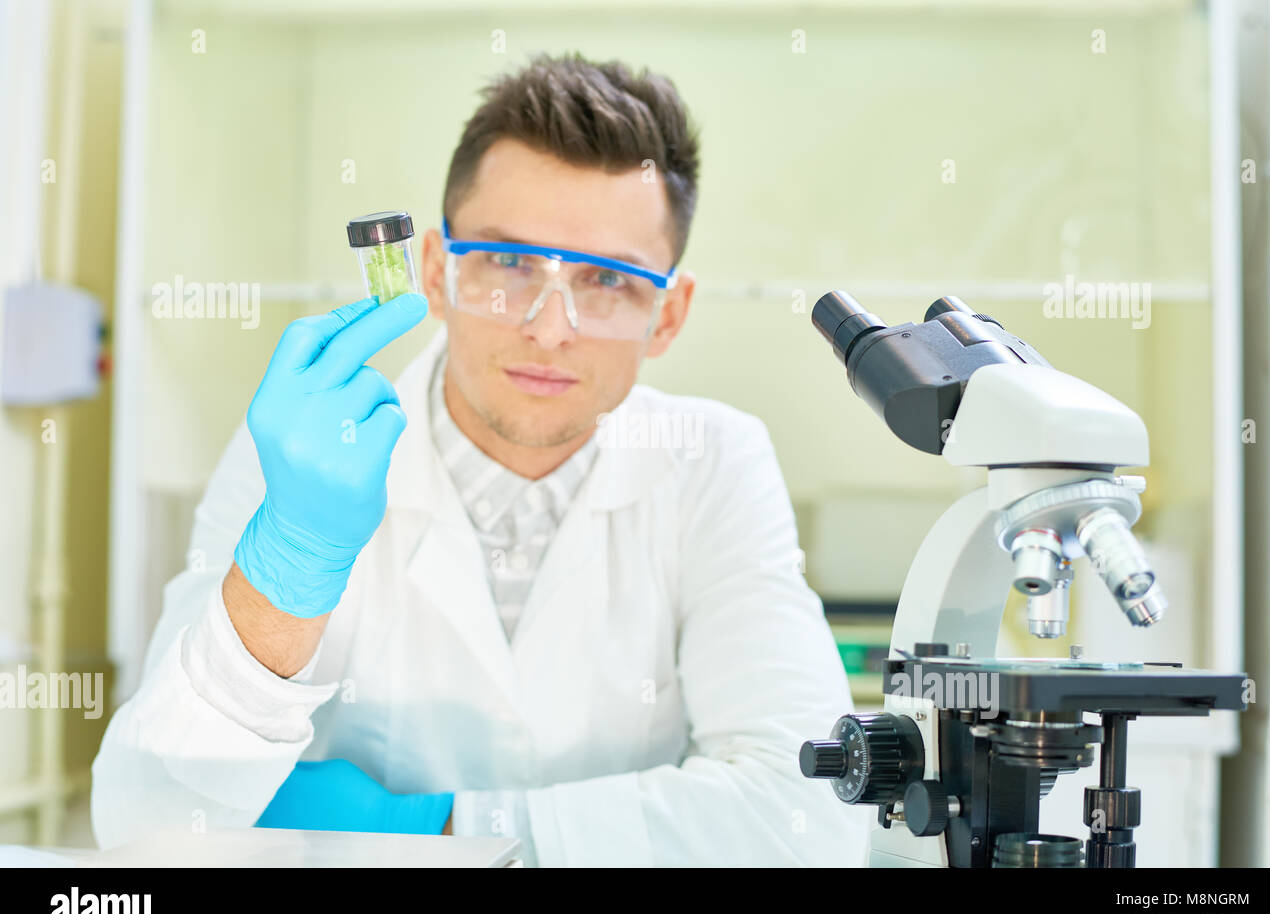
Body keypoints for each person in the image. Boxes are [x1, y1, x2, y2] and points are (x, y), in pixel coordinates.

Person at [91, 52, 867, 866]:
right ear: (435, 271)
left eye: (608, 279)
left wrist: (431, 827)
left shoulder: (711, 463)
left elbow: (809, 816)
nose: (549, 326)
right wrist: (285, 571)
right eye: (508, 262)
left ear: (667, 315)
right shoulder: (300, 462)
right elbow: (144, 822)